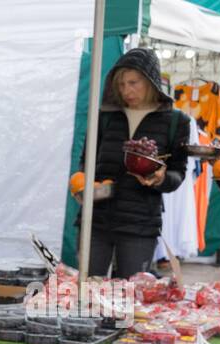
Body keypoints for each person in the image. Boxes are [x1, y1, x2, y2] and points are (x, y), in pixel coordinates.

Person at [81, 48, 190, 279]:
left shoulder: (176, 122)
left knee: (130, 295)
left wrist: (161, 178)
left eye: (133, 82)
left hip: (140, 223)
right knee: (88, 292)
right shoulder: (105, 116)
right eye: (121, 84)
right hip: (96, 219)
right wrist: (82, 186)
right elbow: (85, 163)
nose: (126, 90)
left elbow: (178, 174)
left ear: (151, 81)